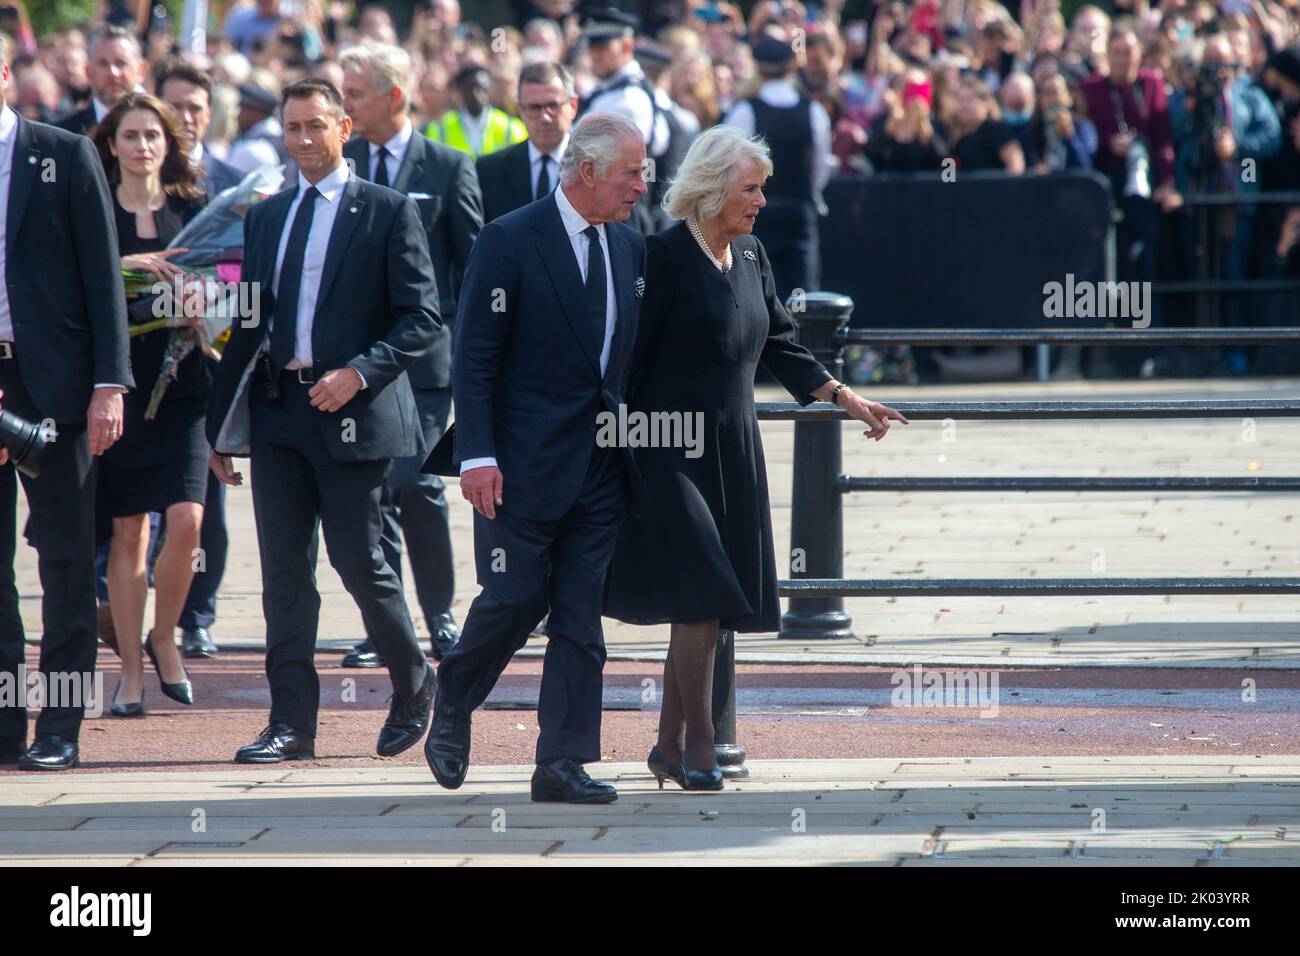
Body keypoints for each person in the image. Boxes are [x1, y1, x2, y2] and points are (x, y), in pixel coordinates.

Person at [603, 126, 909, 790]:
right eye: (751, 188)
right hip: (667, 451)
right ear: (711, 191)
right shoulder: (660, 259)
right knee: (703, 590)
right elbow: (622, 364)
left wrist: (845, 398)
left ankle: (665, 745)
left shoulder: (751, 255)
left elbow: (782, 344)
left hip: (733, 449)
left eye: (763, 187)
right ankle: (704, 747)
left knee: (699, 599)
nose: (762, 201)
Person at [206, 78, 440, 763]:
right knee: (282, 573)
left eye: (315, 125)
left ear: (344, 128)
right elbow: (249, 324)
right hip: (280, 412)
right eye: (292, 128)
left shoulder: (388, 211)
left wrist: (360, 372)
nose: (303, 139)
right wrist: (219, 427)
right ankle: (291, 724)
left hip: (353, 414)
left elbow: (423, 317)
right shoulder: (267, 216)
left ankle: (414, 679)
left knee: (360, 562)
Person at [422, 112, 648, 804]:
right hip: (517, 467)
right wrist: (477, 456)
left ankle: (561, 762)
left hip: (602, 466)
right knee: (516, 598)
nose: (642, 185)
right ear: (588, 173)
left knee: (580, 617)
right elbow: (476, 358)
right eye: (631, 173)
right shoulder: (509, 239)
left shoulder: (631, 249)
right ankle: (455, 691)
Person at [0, 32, 132, 770]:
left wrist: (111, 382)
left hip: (57, 390)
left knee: (66, 564)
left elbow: (103, 278)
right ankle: (2, 720)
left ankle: (60, 726)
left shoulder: (63, 151)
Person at [340, 41, 482, 668]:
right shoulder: (342, 165)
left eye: (355, 94)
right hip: (361, 362)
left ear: (393, 98)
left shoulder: (448, 166)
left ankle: (442, 615)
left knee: (414, 483)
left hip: (425, 359)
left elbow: (476, 265)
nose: (345, 105)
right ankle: (388, 625)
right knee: (375, 491)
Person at [92, 93, 211, 716]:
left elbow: (228, 282)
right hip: (119, 385)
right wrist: (124, 267)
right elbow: (70, 285)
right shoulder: (94, 210)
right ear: (111, 145)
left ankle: (166, 635)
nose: (142, 145)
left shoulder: (193, 208)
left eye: (153, 135)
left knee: (188, 519)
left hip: (184, 385)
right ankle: (132, 670)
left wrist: (205, 303)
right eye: (130, 135)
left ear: (168, 145)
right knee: (128, 527)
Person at [156, 59, 240, 659]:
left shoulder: (238, 182)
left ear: (210, 113)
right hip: (140, 359)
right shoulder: (134, 174)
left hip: (211, 358)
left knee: (206, 497)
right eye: (174, 106)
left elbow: (246, 270)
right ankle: (131, 599)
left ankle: (198, 615)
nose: (185, 117)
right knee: (138, 498)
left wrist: (215, 301)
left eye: (195, 107)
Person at [722, 35, 831, 299]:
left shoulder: (744, 112)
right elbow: (819, 169)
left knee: (757, 292)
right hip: (799, 214)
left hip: (757, 215)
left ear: (758, 67)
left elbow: (727, 167)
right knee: (802, 297)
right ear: (791, 66)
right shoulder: (814, 111)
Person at [476, 59, 578, 223]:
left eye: (553, 106)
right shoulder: (490, 171)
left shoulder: (593, 167)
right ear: (521, 110)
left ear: (573, 106)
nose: (545, 117)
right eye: (534, 108)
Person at [53, 24, 144, 136]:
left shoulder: (164, 124)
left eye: (121, 63)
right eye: (103, 64)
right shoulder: (63, 134)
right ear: (88, 72)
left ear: (141, 70)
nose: (113, 73)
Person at [425, 64, 526, 157]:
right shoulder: (440, 128)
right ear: (460, 92)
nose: (477, 94)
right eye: (470, 89)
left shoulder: (511, 128)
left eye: (482, 88)